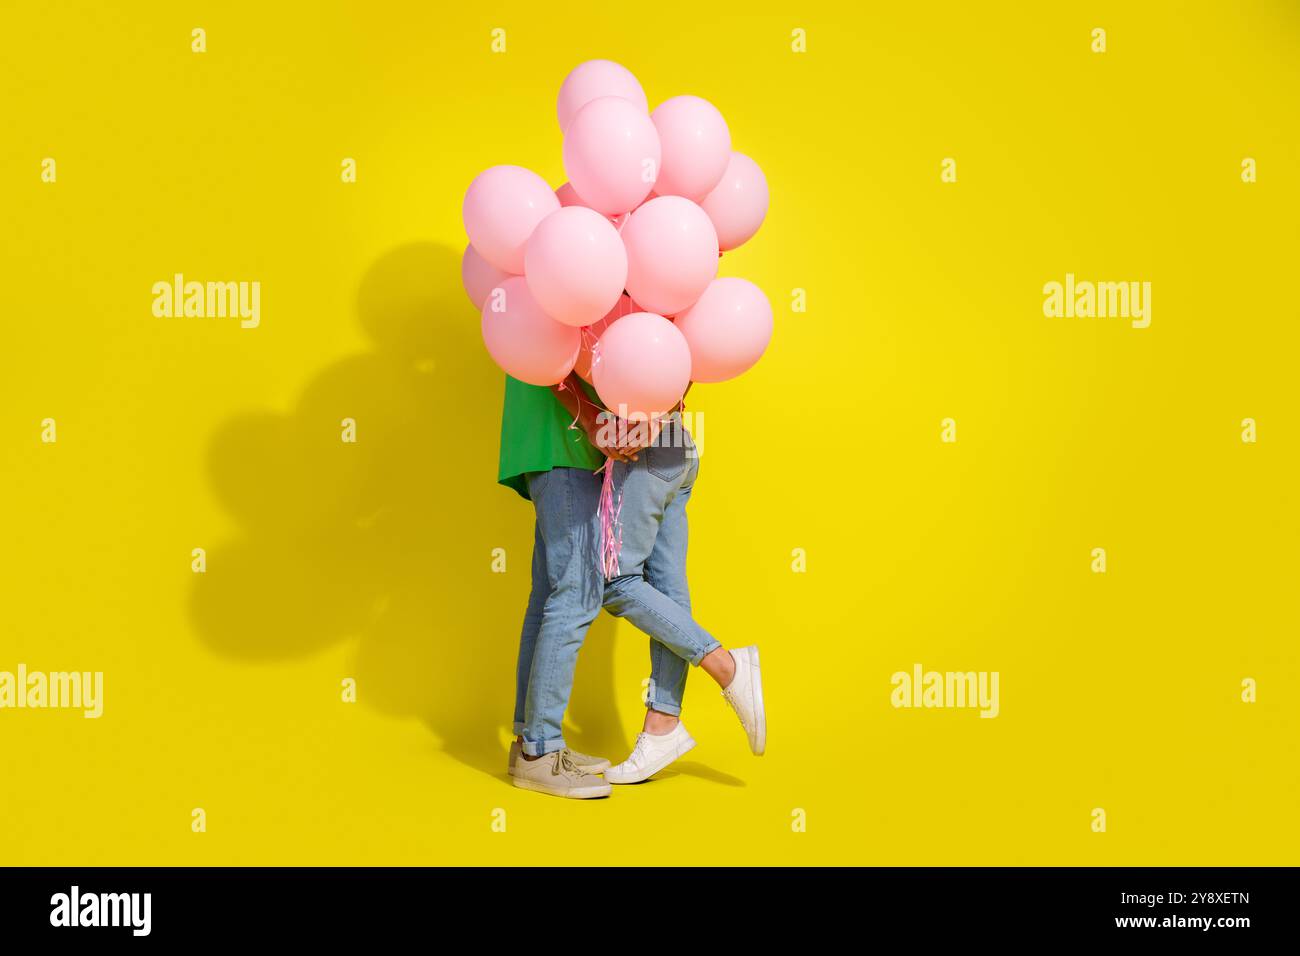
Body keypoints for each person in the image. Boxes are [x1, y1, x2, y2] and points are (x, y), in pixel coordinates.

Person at [501, 372, 766, 799]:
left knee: (558, 591)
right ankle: (540, 749)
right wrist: (595, 417)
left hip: (580, 439)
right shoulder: (558, 315)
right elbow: (559, 353)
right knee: (579, 588)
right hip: (567, 440)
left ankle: (534, 745)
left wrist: (635, 416)